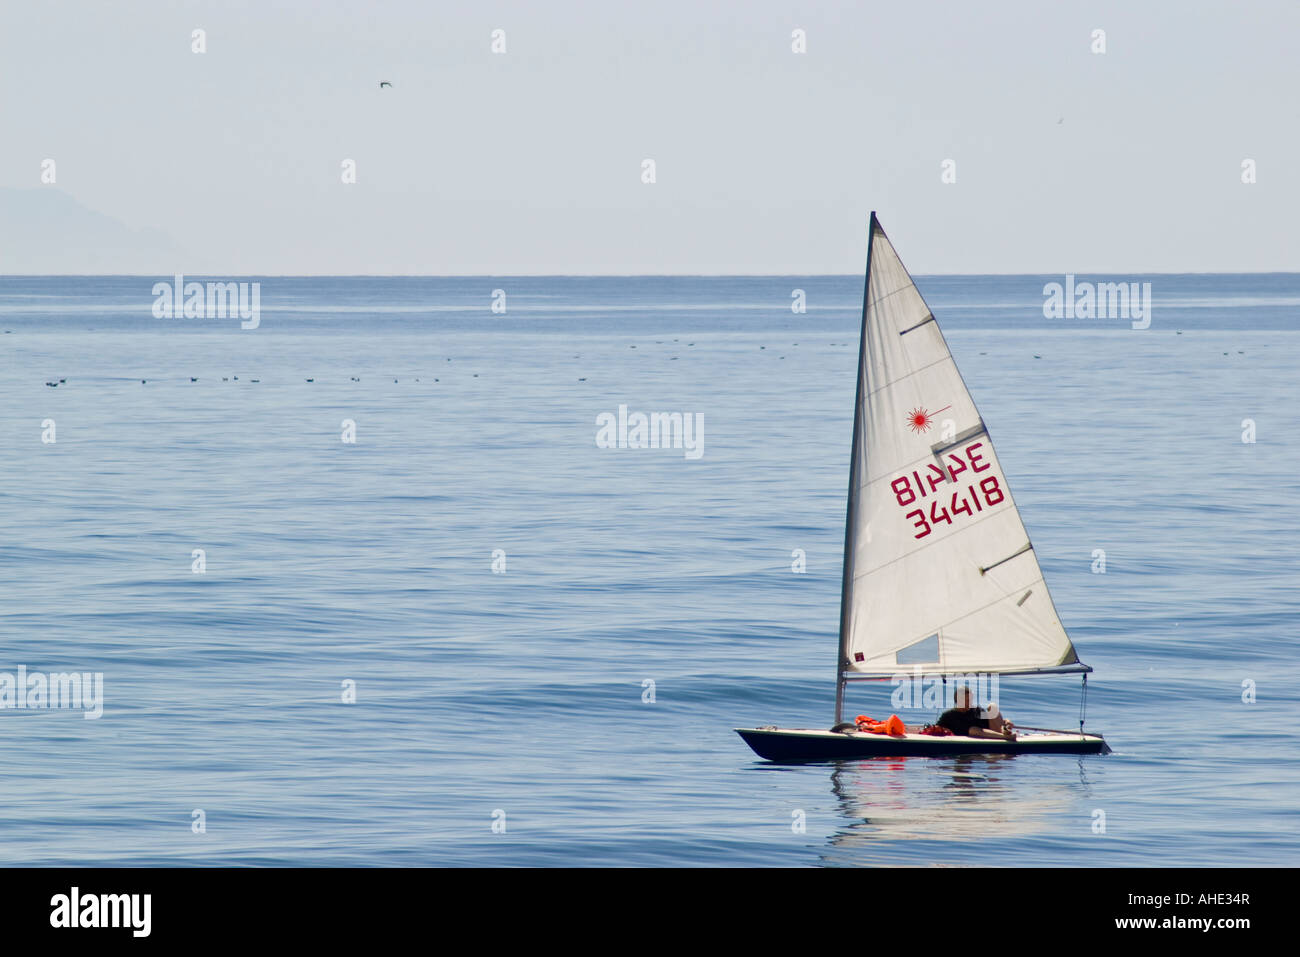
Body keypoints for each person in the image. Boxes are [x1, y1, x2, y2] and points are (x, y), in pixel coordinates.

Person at [936, 686, 1016, 740]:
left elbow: (990, 719)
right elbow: (936, 729)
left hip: (994, 734)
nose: (970, 702)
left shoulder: (976, 710)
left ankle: (1005, 733)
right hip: (973, 735)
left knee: (992, 706)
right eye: (967, 700)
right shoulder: (948, 715)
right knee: (973, 729)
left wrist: (1005, 721)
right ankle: (1006, 737)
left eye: (971, 699)